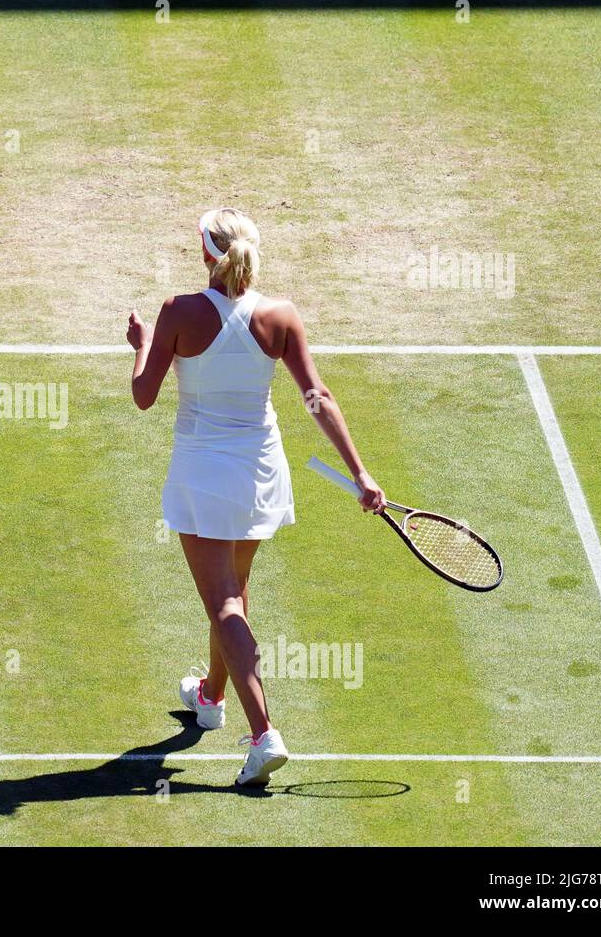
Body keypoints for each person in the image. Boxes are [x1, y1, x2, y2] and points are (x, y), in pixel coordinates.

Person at [126, 206, 385, 786]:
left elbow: (144, 395)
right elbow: (316, 395)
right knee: (235, 593)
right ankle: (211, 697)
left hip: (204, 477)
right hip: (262, 473)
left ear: (205, 254)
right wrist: (361, 473)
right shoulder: (281, 316)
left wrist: (142, 345)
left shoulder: (178, 312)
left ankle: (265, 734)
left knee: (223, 603)